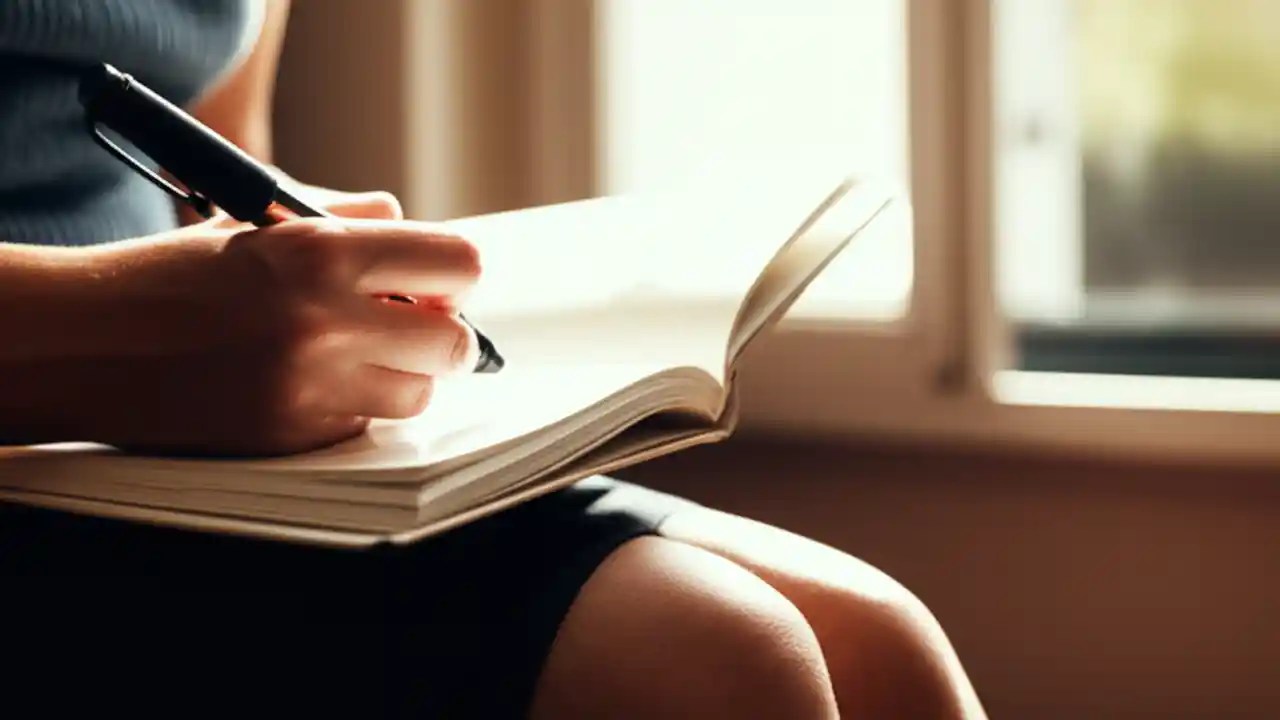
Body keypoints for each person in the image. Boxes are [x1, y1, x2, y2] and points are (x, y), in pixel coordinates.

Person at [0, 2, 988, 718]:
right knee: (710, 664)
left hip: (149, 443)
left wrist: (306, 270)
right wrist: (117, 329)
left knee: (880, 647)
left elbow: (211, 153)